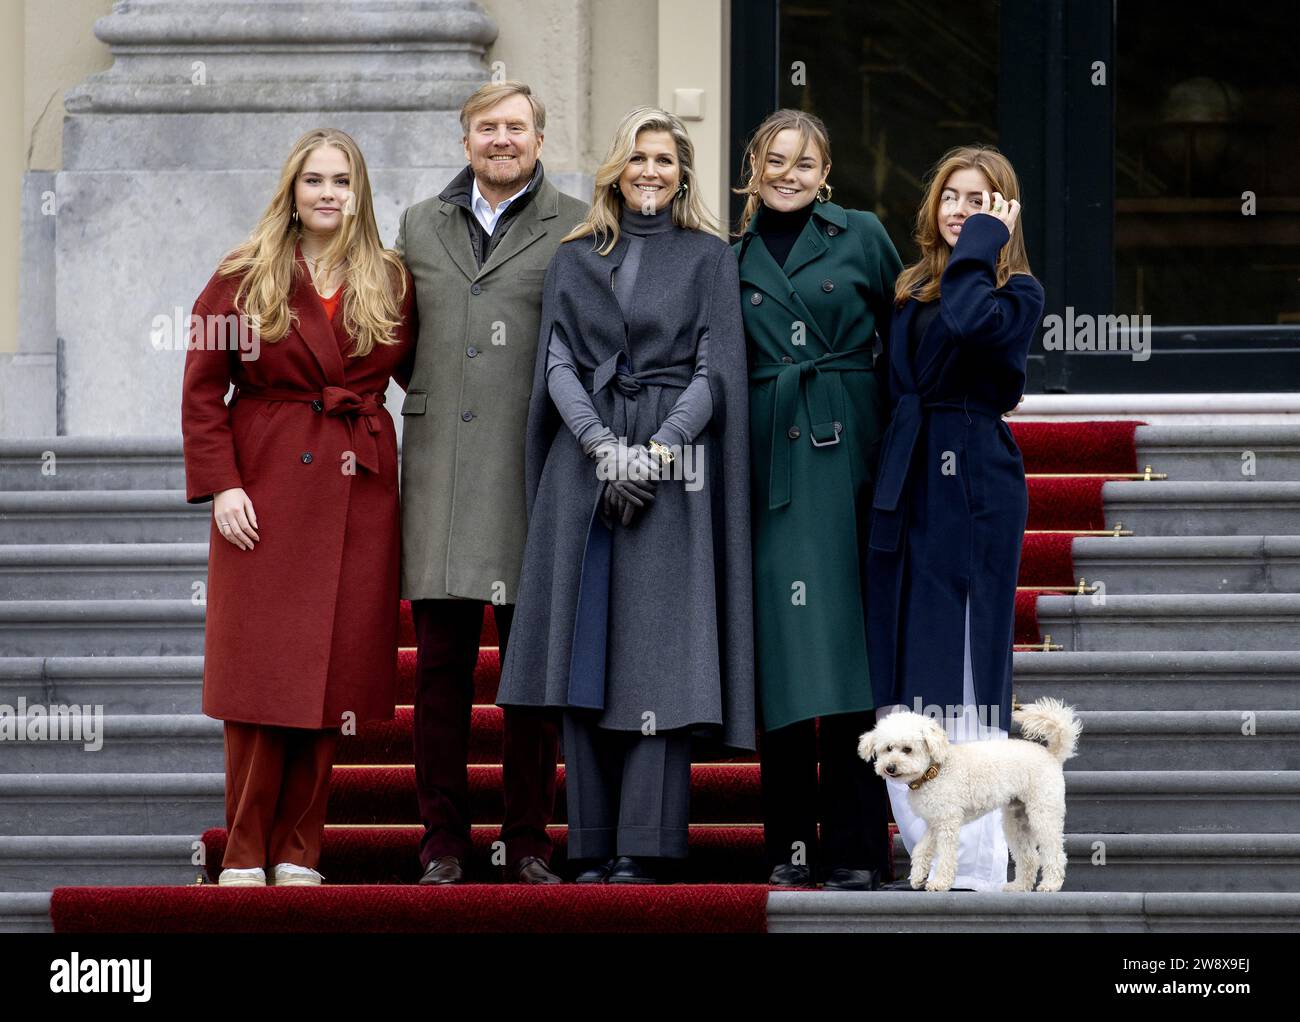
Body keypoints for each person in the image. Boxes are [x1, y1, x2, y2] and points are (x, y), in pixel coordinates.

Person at [496, 107, 754, 885]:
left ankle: (645, 845)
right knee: (587, 651)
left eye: (665, 160)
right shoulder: (576, 257)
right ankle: (591, 843)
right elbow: (558, 365)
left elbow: (714, 373)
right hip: (586, 464)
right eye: (638, 157)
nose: (650, 171)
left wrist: (652, 455)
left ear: (683, 173)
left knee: (658, 657)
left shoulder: (711, 258)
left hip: (673, 475)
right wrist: (603, 450)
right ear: (616, 169)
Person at [182, 128, 415, 887]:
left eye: (341, 181)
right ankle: (245, 852)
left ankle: (299, 851)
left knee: (331, 682)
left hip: (360, 491)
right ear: (291, 189)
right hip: (266, 487)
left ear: (360, 193)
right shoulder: (243, 275)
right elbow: (200, 392)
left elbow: (434, 384)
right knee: (260, 676)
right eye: (313, 180)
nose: (327, 194)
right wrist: (223, 486)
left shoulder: (391, 279)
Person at [395, 81, 588, 885]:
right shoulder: (417, 223)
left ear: (539, 139)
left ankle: (528, 839)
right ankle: (442, 839)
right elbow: (400, 339)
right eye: (486, 128)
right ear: (465, 139)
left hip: (531, 468)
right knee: (440, 672)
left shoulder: (577, 223)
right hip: (440, 471)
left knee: (531, 676)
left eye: (516, 127)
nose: (501, 139)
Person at [867, 144, 1045, 891]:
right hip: (908, 474)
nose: (960, 212)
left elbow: (974, 326)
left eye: (980, 201)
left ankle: (973, 863)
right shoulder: (911, 287)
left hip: (972, 479)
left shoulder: (1015, 291)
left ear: (1004, 216)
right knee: (906, 655)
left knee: (961, 662)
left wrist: (981, 248)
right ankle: (922, 853)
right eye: (951, 197)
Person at [734, 109, 900, 891]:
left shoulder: (863, 234)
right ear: (754, 168)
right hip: (772, 466)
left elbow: (903, 346)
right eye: (776, 160)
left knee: (852, 659)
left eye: (805, 162)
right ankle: (790, 846)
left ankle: (862, 848)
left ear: (826, 171)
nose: (790, 173)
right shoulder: (727, 256)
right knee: (787, 661)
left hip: (854, 454)